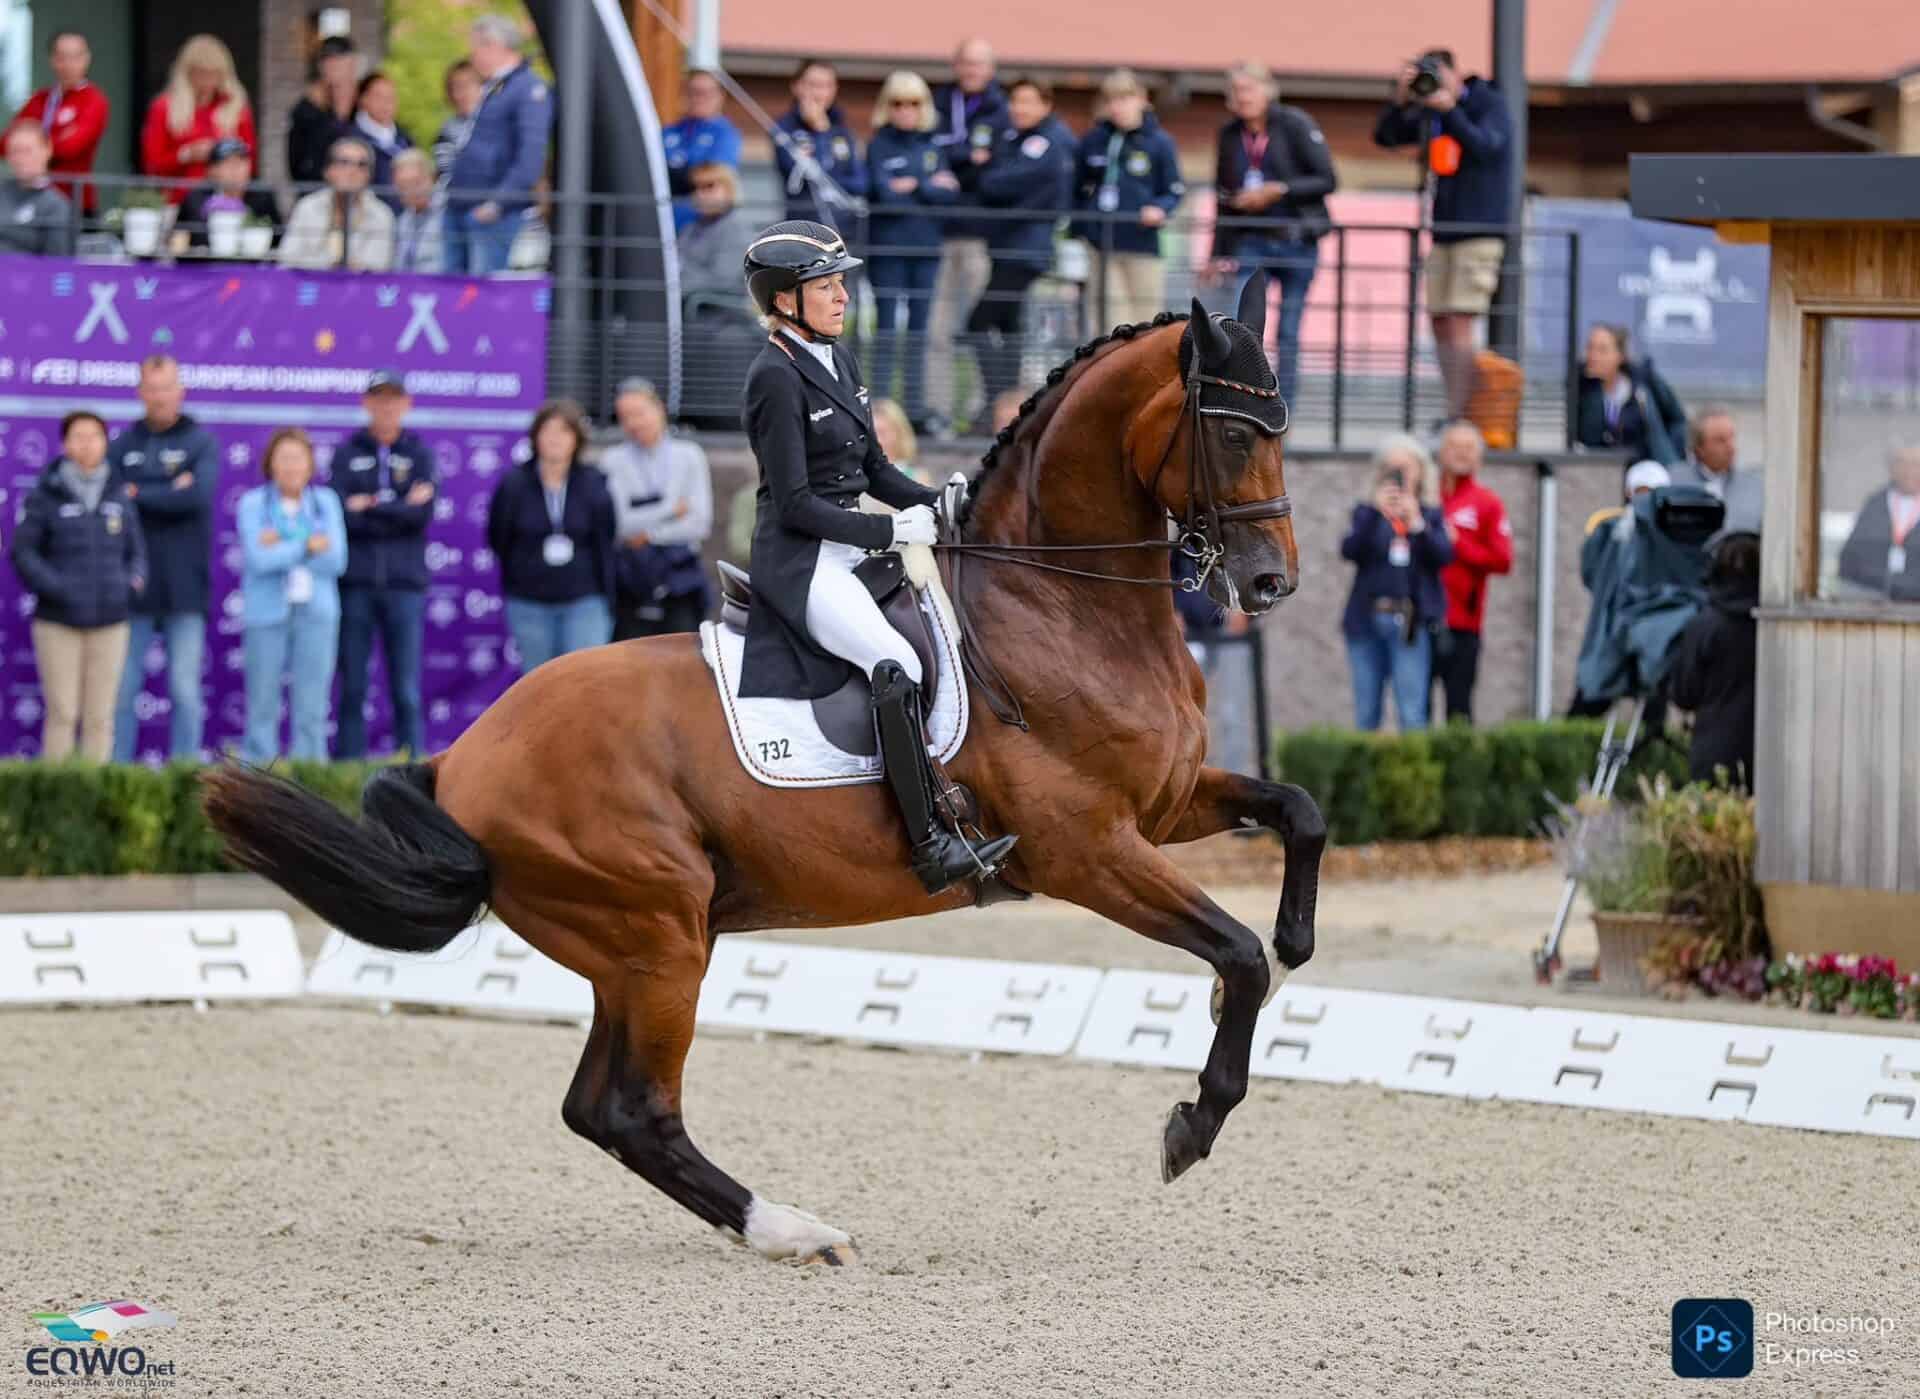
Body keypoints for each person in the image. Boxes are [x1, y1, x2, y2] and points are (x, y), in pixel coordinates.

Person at [740, 219, 1016, 891]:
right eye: (825, 286)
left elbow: (875, 469)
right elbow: (798, 503)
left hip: (854, 551)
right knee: (892, 663)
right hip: (805, 562)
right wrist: (891, 532)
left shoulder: (840, 358)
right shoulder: (774, 377)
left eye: (840, 284)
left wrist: (941, 499)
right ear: (784, 300)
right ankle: (928, 847)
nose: (841, 297)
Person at [1373, 49, 1514, 420]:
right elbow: (1385, 137)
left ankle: (1463, 413)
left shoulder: (1487, 102)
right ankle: (1454, 407)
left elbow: (1487, 147)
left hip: (1479, 230)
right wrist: (1401, 100)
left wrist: (1450, 109)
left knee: (1460, 321)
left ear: (1455, 72)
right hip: (1444, 230)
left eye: (1436, 73)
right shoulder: (1428, 110)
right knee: (1439, 322)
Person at [9, 411, 144, 761]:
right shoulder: (45, 494)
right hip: (58, 622)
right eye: (78, 437)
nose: (87, 445)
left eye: (94, 436)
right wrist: (56, 588)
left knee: (100, 719)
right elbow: (23, 552)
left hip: (111, 621)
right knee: (63, 714)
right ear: (65, 444)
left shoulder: (119, 493)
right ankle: (60, 803)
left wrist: (129, 585)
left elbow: (137, 551)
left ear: (104, 442)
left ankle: (94, 804)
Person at [109, 354, 219, 764]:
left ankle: (185, 777)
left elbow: (196, 496)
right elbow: (118, 500)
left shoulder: (201, 442)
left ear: (180, 391)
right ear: (141, 392)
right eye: (151, 388)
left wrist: (143, 493)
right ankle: (117, 775)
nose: (159, 397)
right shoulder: (122, 445)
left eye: (166, 387)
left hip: (185, 589)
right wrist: (171, 487)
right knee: (122, 691)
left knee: (185, 691)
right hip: (132, 589)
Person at [1205, 63, 1335, 406]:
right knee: (1241, 326)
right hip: (1250, 239)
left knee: (1289, 331)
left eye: (1248, 89)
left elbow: (1326, 179)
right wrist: (1216, 254)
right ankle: (1239, 397)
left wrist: (1279, 190)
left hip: (1296, 240)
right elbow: (1222, 197)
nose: (1242, 97)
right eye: (1235, 91)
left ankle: (1284, 405)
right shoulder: (1229, 134)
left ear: (1267, 91)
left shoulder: (1295, 123)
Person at [331, 371, 435, 758]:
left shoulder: (419, 453)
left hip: (404, 586)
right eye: (379, 399)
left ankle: (413, 779)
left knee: (406, 690)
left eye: (394, 399)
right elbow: (342, 516)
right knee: (353, 687)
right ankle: (346, 775)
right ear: (366, 403)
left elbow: (420, 517)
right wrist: (399, 504)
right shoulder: (347, 452)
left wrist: (370, 504)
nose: (386, 407)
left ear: (406, 404)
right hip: (355, 585)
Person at [238, 429, 347, 762]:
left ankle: (311, 777)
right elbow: (258, 559)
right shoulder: (253, 503)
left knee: (312, 705)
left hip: (317, 613)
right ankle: (260, 782)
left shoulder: (325, 501)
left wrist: (281, 543)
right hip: (265, 613)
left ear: (311, 464)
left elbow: (337, 560)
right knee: (262, 704)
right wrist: (306, 544)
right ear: (270, 464)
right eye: (283, 458)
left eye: (298, 458)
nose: (291, 466)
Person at [968, 77, 1074, 409]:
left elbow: (1000, 183)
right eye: (1015, 101)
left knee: (978, 322)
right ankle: (1004, 405)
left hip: (1026, 251)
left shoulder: (1050, 142)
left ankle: (997, 402)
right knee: (1007, 325)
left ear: (1046, 104)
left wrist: (990, 176)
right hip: (1006, 247)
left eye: (1028, 101)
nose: (1020, 108)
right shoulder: (1014, 138)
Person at [488, 399, 616, 671]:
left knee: (587, 680)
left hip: (584, 601)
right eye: (548, 431)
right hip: (529, 603)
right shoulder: (514, 484)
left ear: (576, 439)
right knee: (540, 687)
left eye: (564, 431)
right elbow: (498, 537)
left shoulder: (594, 482)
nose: (555, 439)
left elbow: (606, 538)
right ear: (535, 437)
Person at [924, 38, 1010, 437]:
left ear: (991, 68)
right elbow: (931, 156)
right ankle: (937, 410)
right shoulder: (940, 104)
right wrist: (963, 161)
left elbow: (992, 170)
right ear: (956, 66)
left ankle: (981, 410)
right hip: (942, 233)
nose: (971, 70)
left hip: (981, 237)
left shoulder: (1002, 109)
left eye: (979, 63)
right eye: (965, 63)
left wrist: (957, 164)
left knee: (978, 329)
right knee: (938, 327)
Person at [1339, 434, 1454, 731]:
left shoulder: (1430, 514)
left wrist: (1416, 523)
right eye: (1391, 468)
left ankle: (1414, 777)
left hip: (1409, 623)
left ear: (1420, 471)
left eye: (1405, 467)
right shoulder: (1367, 513)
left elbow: (1443, 555)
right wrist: (1376, 512)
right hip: (1367, 620)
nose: (1399, 475)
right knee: (1366, 713)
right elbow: (1350, 550)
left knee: (1412, 711)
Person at [866, 70, 960, 431]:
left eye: (913, 103)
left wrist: (912, 185)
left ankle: (915, 410)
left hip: (926, 249)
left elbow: (949, 194)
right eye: (898, 103)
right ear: (887, 107)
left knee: (920, 331)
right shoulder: (878, 144)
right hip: (888, 249)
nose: (906, 110)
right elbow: (884, 194)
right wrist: (927, 186)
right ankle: (880, 407)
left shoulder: (933, 146)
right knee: (887, 328)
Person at [600, 379, 713, 640]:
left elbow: (699, 522)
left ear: (659, 408)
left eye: (639, 413)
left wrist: (649, 535)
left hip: (680, 575)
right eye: (625, 417)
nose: (634, 423)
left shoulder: (689, 455)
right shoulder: (613, 460)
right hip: (632, 577)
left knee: (682, 662)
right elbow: (620, 523)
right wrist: (671, 509)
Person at [1071, 69, 1183, 332]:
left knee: (1146, 323)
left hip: (1142, 245)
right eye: (1111, 101)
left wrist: (1160, 209)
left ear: (1142, 99)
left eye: (1124, 99)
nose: (1117, 108)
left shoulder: (1160, 143)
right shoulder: (1094, 140)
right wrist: (1083, 227)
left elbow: (1174, 190)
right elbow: (1076, 187)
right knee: (1110, 322)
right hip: (1102, 245)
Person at [445, 15, 553, 277]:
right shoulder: (497, 87)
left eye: (476, 48)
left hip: (491, 214)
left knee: (481, 297)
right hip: (462, 206)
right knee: (451, 295)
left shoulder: (528, 89)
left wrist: (497, 204)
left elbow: (530, 157)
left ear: (494, 45)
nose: (473, 57)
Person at [1569, 459, 1669, 717]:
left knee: (1654, 702)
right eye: (1642, 492)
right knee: (1591, 696)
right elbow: (1594, 575)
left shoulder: (1670, 539)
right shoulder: (1612, 532)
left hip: (1652, 630)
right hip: (1613, 628)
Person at [1433, 421, 1512, 723]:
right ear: (1440, 452)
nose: (1461, 454)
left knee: (1459, 708)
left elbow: (1502, 560)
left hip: (1463, 624)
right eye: (1455, 446)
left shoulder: (1487, 503)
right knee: (1416, 709)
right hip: (1425, 619)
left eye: (1469, 448)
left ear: (1479, 457)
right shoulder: (1426, 498)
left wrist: (1459, 544)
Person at [1666, 531, 1759, 787]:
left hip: (1714, 754)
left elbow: (1684, 694)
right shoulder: (1774, 627)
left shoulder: (1704, 626)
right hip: (1772, 755)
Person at [142, 34, 255, 202]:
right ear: (188, 73)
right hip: (178, 200)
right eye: (202, 74)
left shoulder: (236, 108)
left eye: (214, 75)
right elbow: (152, 164)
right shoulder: (164, 107)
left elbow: (249, 159)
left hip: (226, 202)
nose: (208, 82)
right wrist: (186, 154)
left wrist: (226, 156)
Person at [12, 30, 108, 213]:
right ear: (52, 60)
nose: (68, 64)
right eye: (62, 57)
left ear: (87, 58)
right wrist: (57, 137)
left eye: (75, 56)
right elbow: (8, 141)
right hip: (32, 197)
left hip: (75, 200)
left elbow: (72, 147)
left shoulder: (94, 100)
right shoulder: (41, 99)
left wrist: (33, 144)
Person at [774, 59, 867, 238]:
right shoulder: (783, 129)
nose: (819, 93)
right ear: (797, 86)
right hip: (801, 230)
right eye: (813, 85)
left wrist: (823, 131)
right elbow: (803, 177)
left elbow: (860, 183)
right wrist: (820, 133)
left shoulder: (843, 132)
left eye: (826, 86)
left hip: (843, 230)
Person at [1574, 324, 1688, 467]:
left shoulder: (1643, 381)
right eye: (1590, 347)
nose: (1593, 356)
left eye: (1602, 350)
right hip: (1601, 470)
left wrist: (1670, 454)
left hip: (1647, 467)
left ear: (1620, 356)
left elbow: (1677, 418)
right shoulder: (1580, 387)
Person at [278, 135, 395, 271]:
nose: (353, 171)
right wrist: (330, 266)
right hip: (311, 288)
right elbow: (287, 259)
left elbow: (379, 266)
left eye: (361, 165)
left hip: (358, 289)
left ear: (369, 175)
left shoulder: (381, 214)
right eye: (344, 162)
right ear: (328, 171)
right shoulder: (307, 207)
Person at [1837, 441, 1920, 602]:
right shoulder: (1874, 505)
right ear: (1892, 469)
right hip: (1873, 600)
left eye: (1916, 464)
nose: (1909, 471)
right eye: (1902, 463)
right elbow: (1851, 560)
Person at [661, 69, 742, 232]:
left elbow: (713, 175)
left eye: (706, 93)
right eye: (693, 92)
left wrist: (675, 171)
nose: (698, 98)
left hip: (704, 225)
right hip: (664, 219)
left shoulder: (725, 134)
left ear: (720, 96)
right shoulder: (669, 132)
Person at [173, 137, 279, 256]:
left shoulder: (263, 198)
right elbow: (179, 242)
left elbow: (277, 241)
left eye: (242, 162)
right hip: (205, 270)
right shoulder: (195, 199)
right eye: (228, 163)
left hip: (251, 270)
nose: (236, 170)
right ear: (212, 171)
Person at [1669, 403, 1764, 535]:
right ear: (1698, 448)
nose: (1731, 447)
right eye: (1720, 440)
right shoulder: (1672, 483)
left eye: (1732, 437)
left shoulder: (1756, 487)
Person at [675, 162, 755, 305]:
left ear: (729, 189)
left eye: (709, 186)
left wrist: (677, 279)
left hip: (718, 317)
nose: (699, 194)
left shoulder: (736, 228)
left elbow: (722, 282)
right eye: (695, 187)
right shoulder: (691, 228)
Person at [287, 35, 357, 186]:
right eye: (328, 61)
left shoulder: (363, 103)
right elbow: (298, 163)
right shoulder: (306, 109)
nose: (333, 66)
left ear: (352, 64)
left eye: (339, 60)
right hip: (317, 191)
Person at [0, 123, 74, 257]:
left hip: (26, 275)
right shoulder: (2, 192)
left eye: (27, 150)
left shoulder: (56, 206)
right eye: (14, 151)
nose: (20, 158)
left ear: (47, 150)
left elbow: (56, 265)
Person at [353, 71, 415, 205]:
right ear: (363, 99)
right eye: (379, 96)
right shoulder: (351, 140)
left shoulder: (405, 139)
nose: (386, 103)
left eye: (391, 97)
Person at [389, 150, 445, 274]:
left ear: (432, 178)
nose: (411, 191)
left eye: (416, 183)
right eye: (403, 186)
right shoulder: (403, 220)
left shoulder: (449, 214)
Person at [433, 59, 482, 178]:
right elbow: (446, 175)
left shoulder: (501, 123)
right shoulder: (446, 133)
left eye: (470, 83)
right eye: (458, 86)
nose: (465, 91)